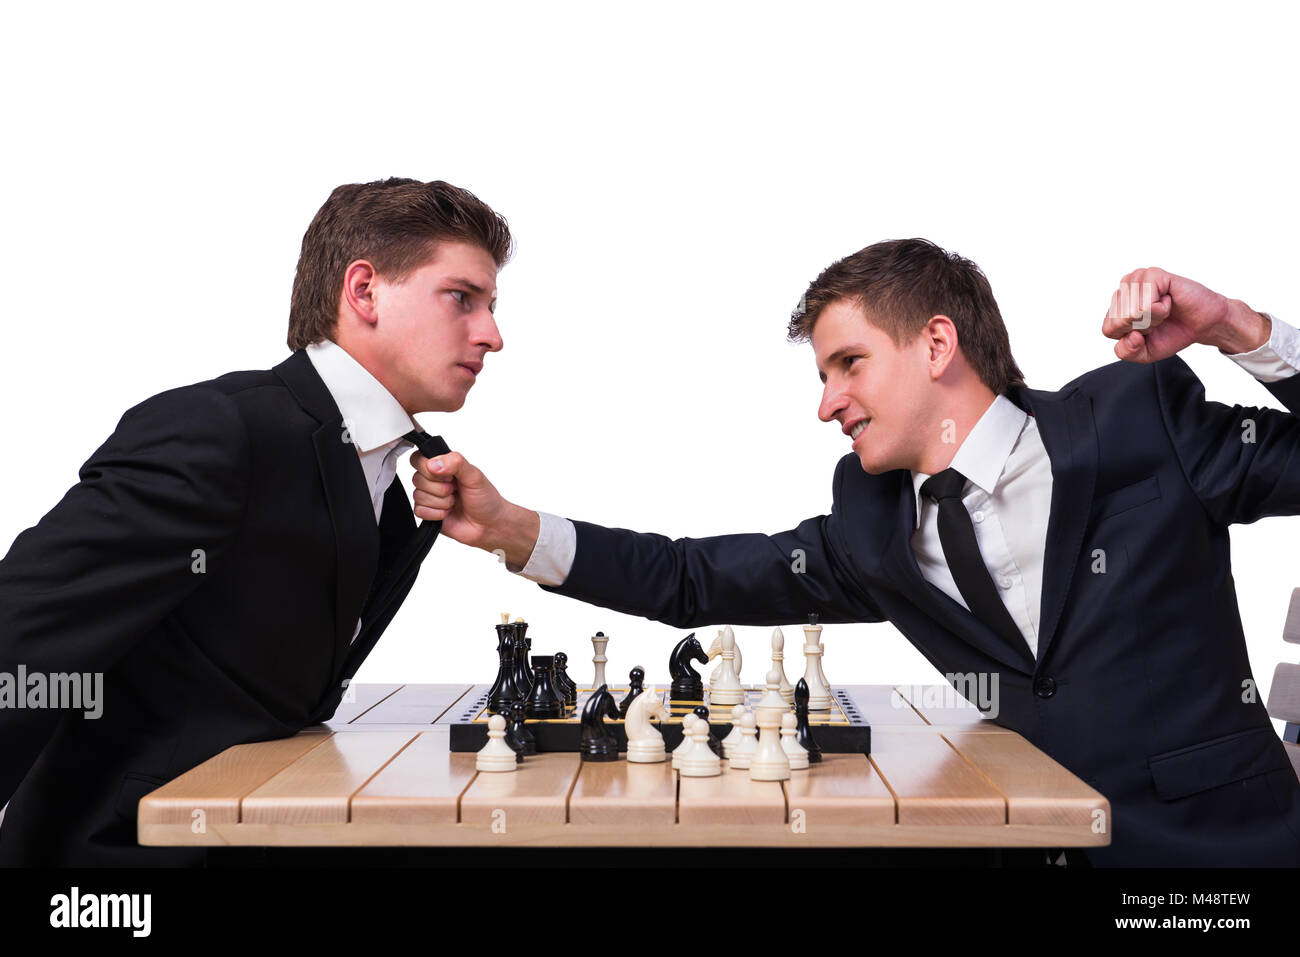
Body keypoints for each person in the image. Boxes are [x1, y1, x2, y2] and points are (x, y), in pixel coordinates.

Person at [410, 238, 1300, 867]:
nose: (828, 404)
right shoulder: (873, 527)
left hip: (1216, 860)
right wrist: (514, 529)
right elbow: (692, 576)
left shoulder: (1141, 421)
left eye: (848, 364)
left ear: (937, 343)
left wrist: (1238, 326)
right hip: (1022, 842)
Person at [0, 177, 511, 866]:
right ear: (364, 291)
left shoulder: (396, 476)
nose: (493, 335)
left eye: (491, 306)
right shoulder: (220, 430)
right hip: (121, 860)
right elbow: (19, 644)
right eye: (462, 298)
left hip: (255, 827)